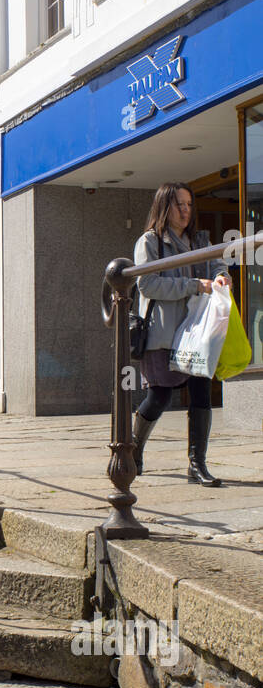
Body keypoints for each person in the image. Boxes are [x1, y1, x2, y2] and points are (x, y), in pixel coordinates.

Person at [132, 182, 232, 487]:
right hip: (164, 333)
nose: (186, 210)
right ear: (165, 206)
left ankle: (196, 464)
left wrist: (221, 276)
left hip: (197, 333)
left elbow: (217, 264)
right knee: (159, 396)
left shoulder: (200, 239)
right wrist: (194, 285)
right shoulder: (150, 242)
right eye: (179, 204)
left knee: (202, 393)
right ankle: (132, 449)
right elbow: (147, 285)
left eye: (189, 204)